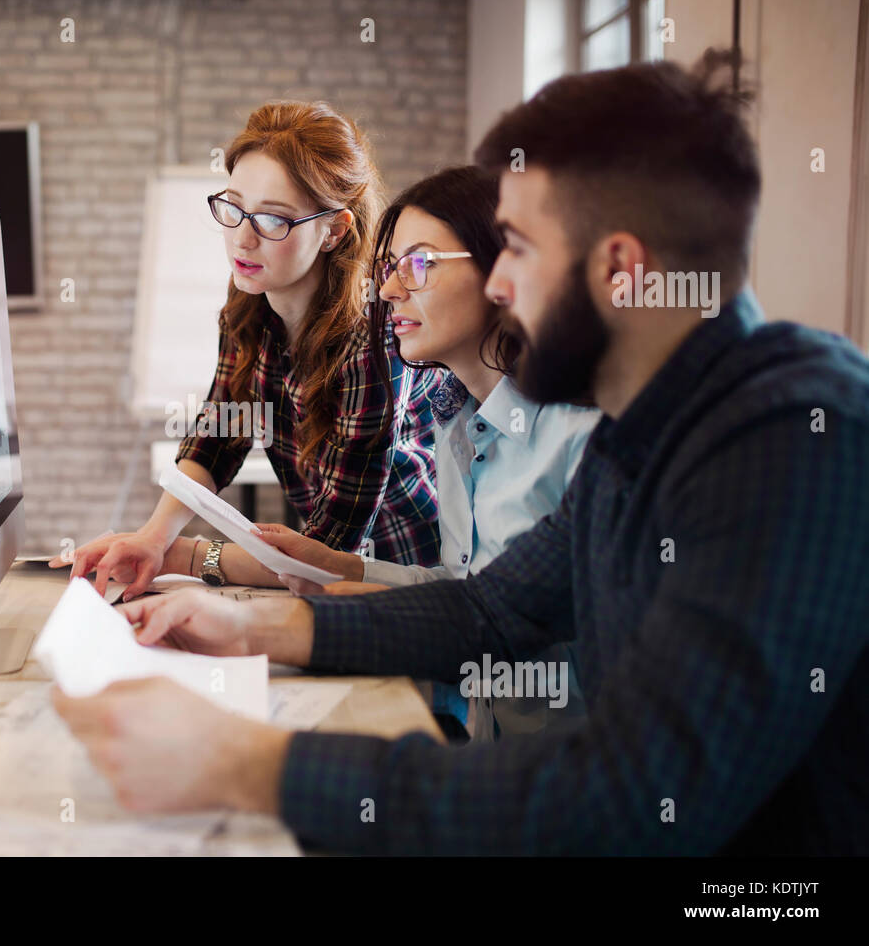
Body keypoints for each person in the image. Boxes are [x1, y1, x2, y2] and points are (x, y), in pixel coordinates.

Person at [51, 51, 869, 854]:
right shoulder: (642, 429)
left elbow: (634, 792)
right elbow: (492, 610)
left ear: (621, 268)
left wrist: (245, 762)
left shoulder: (789, 438)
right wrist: (243, 629)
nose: (498, 285)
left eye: (515, 245)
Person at [147, 166, 600, 741]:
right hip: (500, 748)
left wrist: (247, 613)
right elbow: (463, 590)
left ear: (506, 271)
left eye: (420, 264)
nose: (388, 290)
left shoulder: (582, 440)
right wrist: (346, 569)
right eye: (389, 267)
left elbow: (492, 618)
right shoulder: (459, 424)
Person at [55, 100, 467, 601]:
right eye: (234, 208)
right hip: (322, 578)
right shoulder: (250, 301)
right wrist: (151, 537)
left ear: (333, 230)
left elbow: (325, 551)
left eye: (274, 220)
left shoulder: (371, 338)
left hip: (401, 578)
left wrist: (186, 553)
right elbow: (220, 432)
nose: (243, 240)